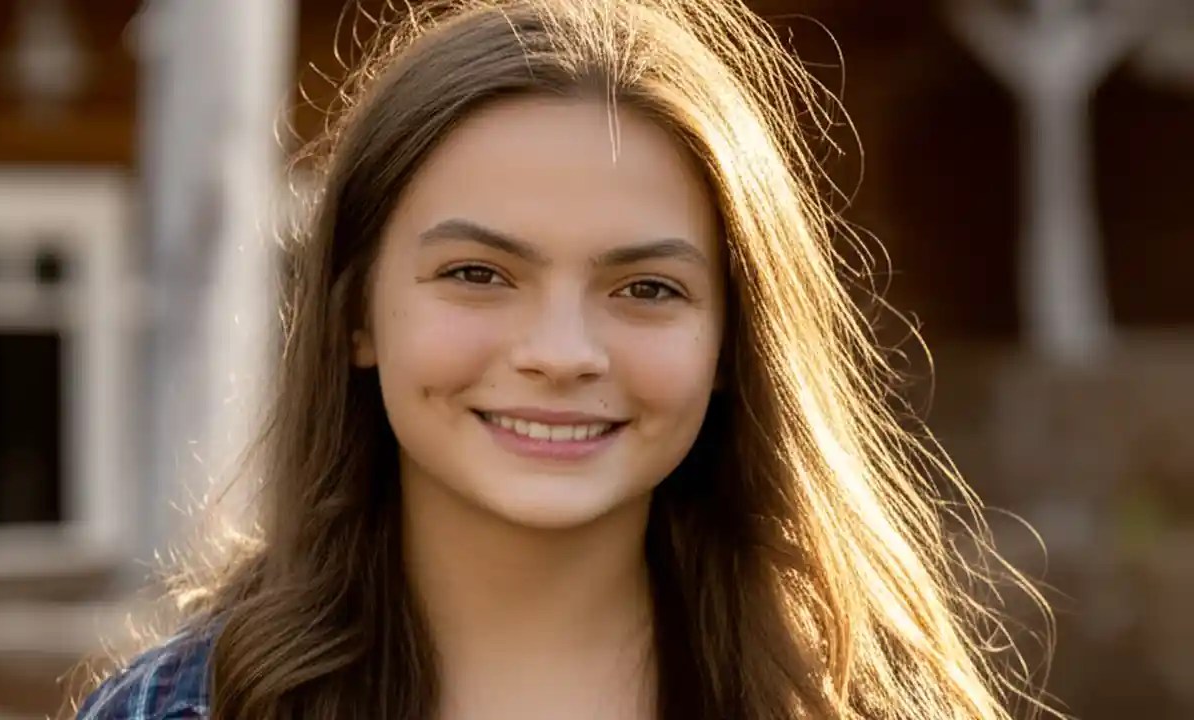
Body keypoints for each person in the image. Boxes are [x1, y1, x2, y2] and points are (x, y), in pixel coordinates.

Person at [72, 0, 1059, 718]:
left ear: (730, 344)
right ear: (354, 317)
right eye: (476, 273)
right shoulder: (171, 711)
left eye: (645, 289)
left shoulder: (870, 711)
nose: (559, 353)